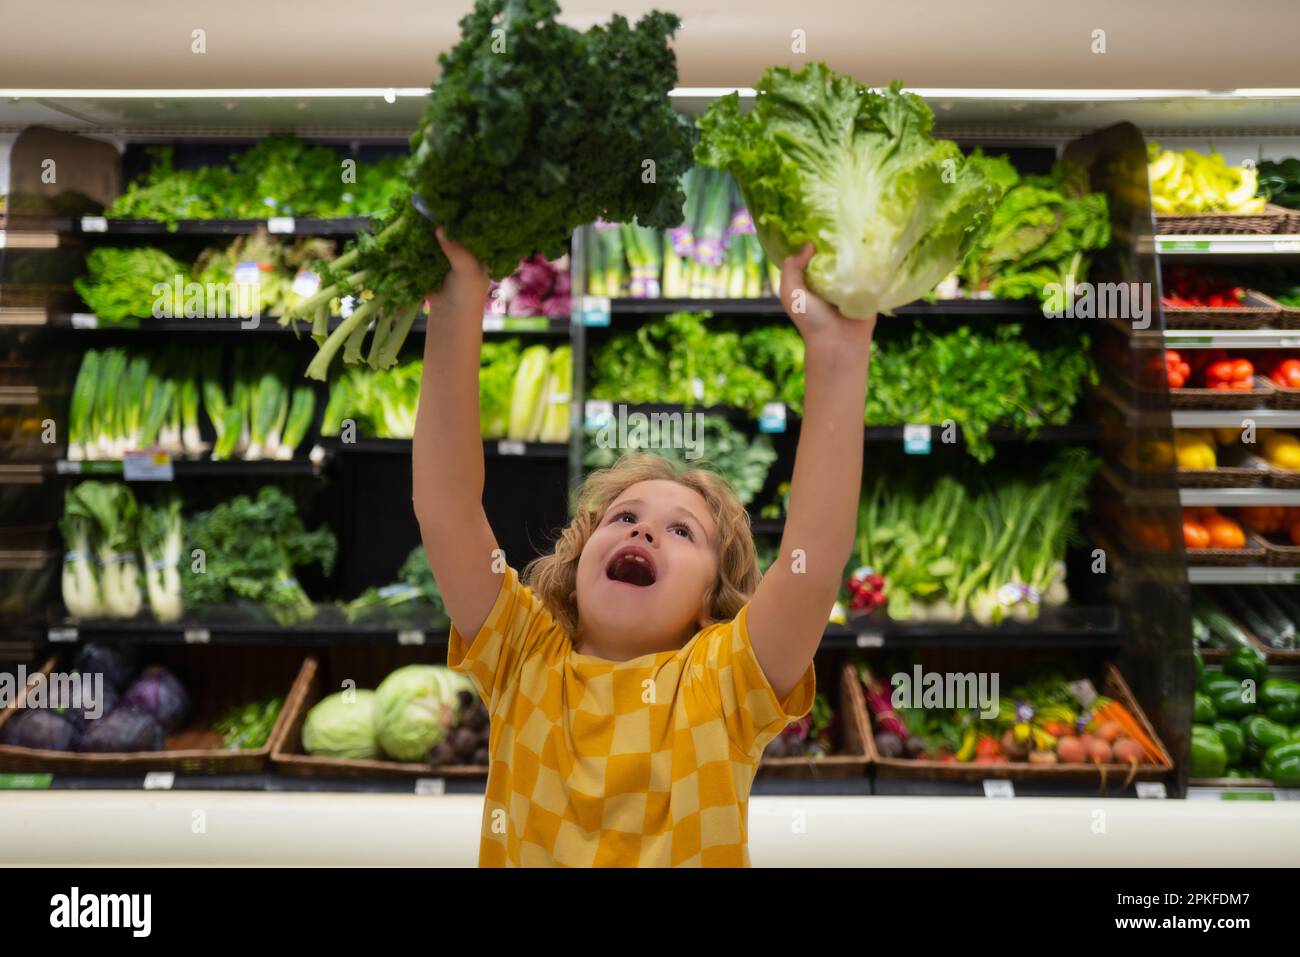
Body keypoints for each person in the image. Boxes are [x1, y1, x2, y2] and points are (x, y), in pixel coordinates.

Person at [414, 227, 875, 866]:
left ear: (716, 603)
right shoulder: (523, 655)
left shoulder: (723, 682)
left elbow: (814, 557)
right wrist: (460, 301)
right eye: (624, 516)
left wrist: (838, 353)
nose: (643, 530)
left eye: (682, 531)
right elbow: (446, 511)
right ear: (575, 567)